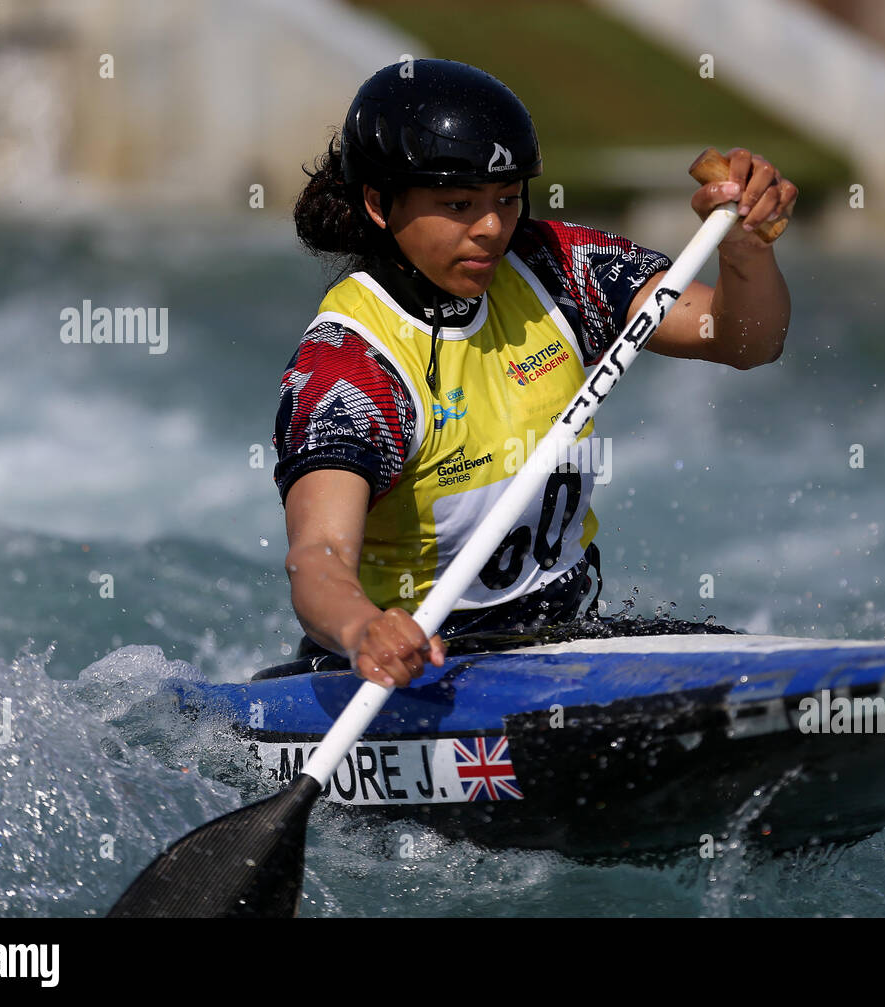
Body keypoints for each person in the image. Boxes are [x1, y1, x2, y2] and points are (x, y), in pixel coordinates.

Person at [272, 58, 794, 690]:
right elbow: (317, 556)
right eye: (460, 204)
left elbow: (744, 341)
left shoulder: (557, 267)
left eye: (508, 199)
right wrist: (363, 629)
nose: (492, 229)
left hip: (562, 638)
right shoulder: (349, 369)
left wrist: (745, 252)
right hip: (415, 671)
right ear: (380, 204)